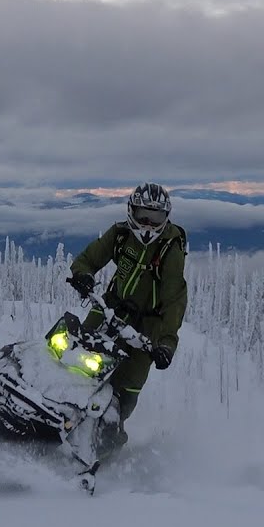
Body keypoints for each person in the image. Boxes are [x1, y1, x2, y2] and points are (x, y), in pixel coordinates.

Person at [66, 182, 188, 435]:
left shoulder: (170, 248)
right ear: (132, 211)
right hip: (109, 309)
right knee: (72, 354)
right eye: (143, 215)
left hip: (147, 327)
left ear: (166, 217)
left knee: (126, 390)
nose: (148, 224)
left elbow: (174, 299)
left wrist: (166, 344)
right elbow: (89, 258)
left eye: (156, 217)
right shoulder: (120, 234)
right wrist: (83, 275)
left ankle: (107, 439)